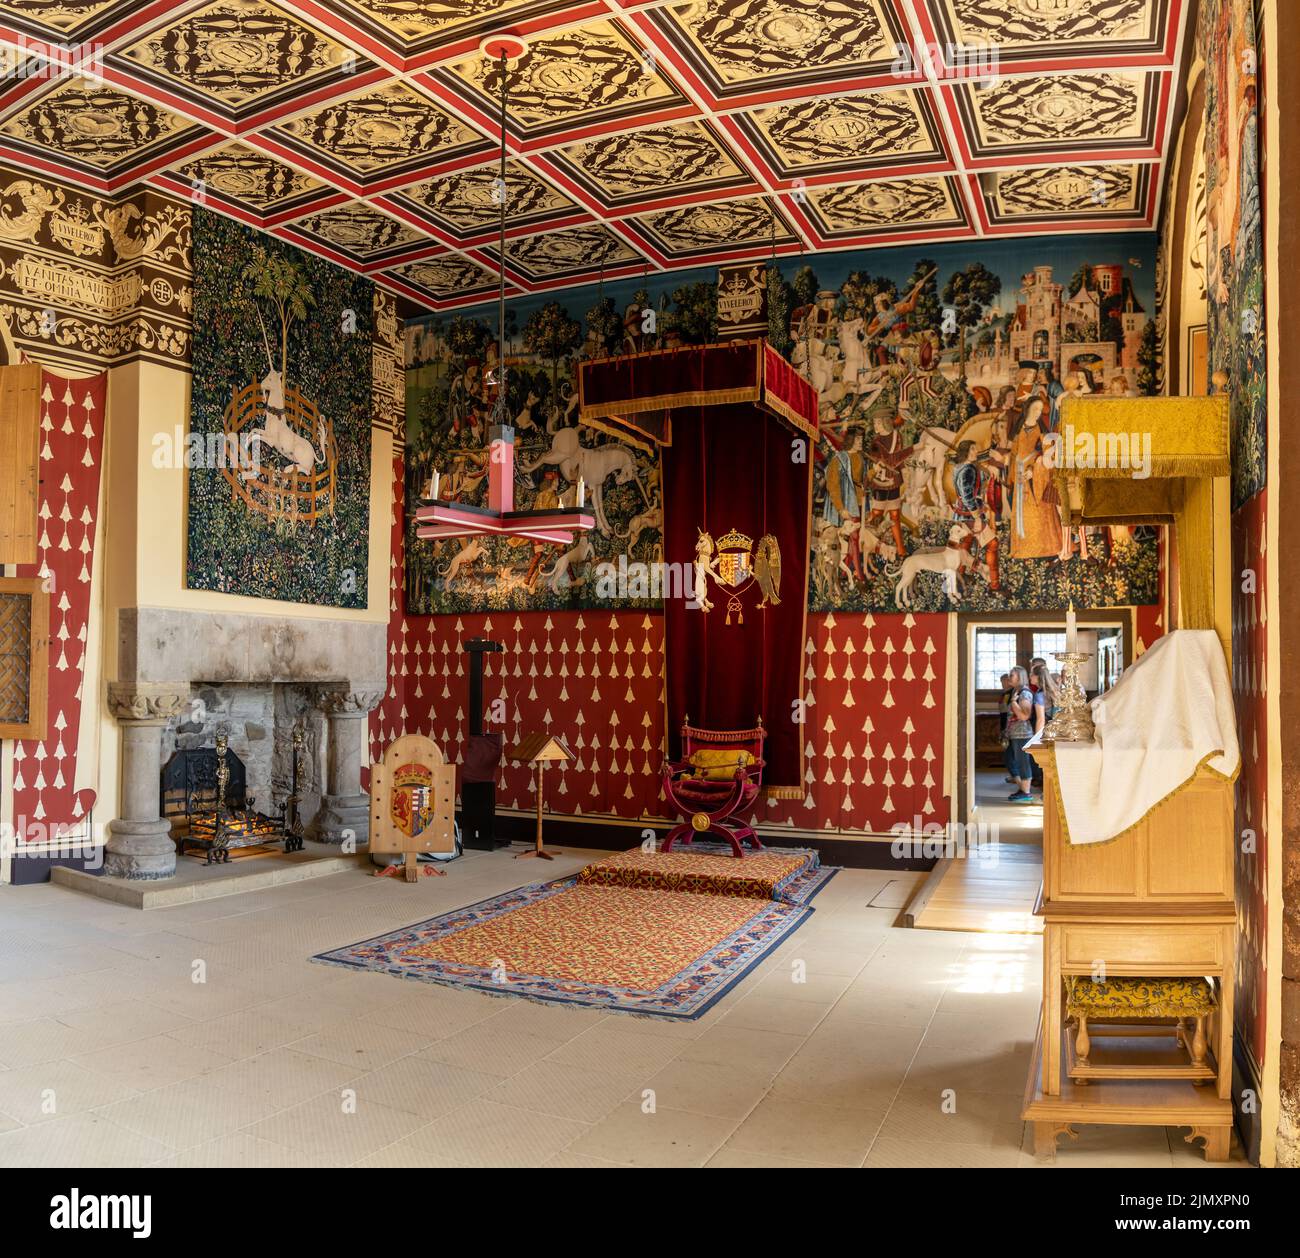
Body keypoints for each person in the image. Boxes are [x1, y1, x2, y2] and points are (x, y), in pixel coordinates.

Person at [1004, 666, 1037, 803]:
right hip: (1015, 733)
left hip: (1023, 733)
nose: (1009, 677)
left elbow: (1024, 715)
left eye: (1012, 675)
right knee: (1012, 760)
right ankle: (1022, 788)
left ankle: (1026, 791)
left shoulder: (1024, 693)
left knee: (1023, 762)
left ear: (1020, 677)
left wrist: (1013, 703)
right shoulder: (1016, 691)